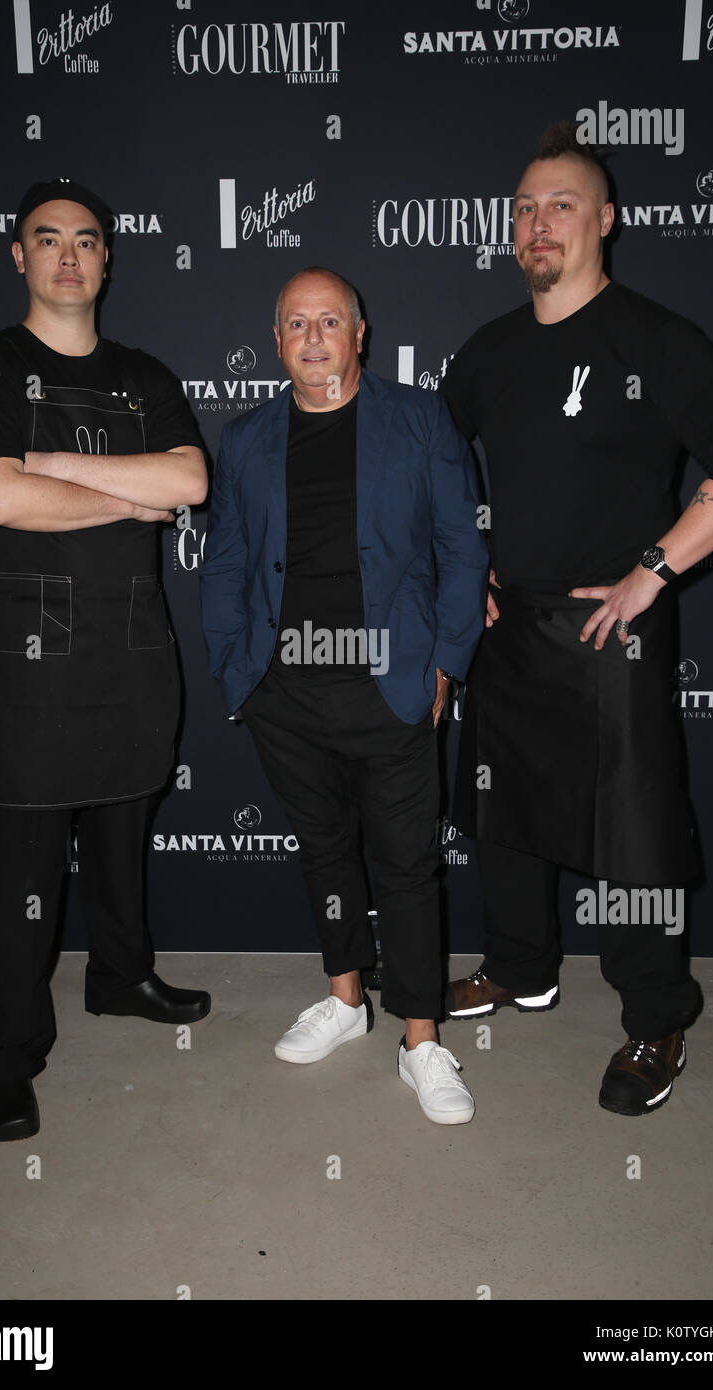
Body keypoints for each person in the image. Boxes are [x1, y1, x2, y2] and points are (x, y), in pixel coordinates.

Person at [442, 125, 713, 1116]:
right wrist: (469, 566)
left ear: (604, 221)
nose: (538, 224)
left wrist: (652, 572)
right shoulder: (488, 350)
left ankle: (655, 1016)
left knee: (630, 835)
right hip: (508, 630)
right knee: (502, 816)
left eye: (561, 206)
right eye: (525, 208)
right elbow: (435, 465)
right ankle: (518, 968)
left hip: (609, 633)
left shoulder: (655, 339)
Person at [0, 178, 211, 1142]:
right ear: (18, 256)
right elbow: (1, 503)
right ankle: (8, 1057)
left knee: (119, 835)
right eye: (46, 238)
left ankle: (120, 974)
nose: (67, 255)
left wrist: (55, 465)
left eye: (86, 240)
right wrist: (127, 500)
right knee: (23, 865)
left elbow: (188, 479)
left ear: (107, 260)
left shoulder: (144, 374)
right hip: (30, 657)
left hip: (134, 646)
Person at [200, 267, 487, 1125]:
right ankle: (346, 998)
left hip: (390, 684)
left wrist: (445, 661)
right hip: (284, 692)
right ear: (279, 340)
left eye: (331, 321)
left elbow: (460, 550)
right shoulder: (247, 437)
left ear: (360, 334)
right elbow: (224, 564)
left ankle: (423, 1041)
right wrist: (232, 666)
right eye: (297, 323)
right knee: (325, 853)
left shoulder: (419, 419)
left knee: (406, 865)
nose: (315, 337)